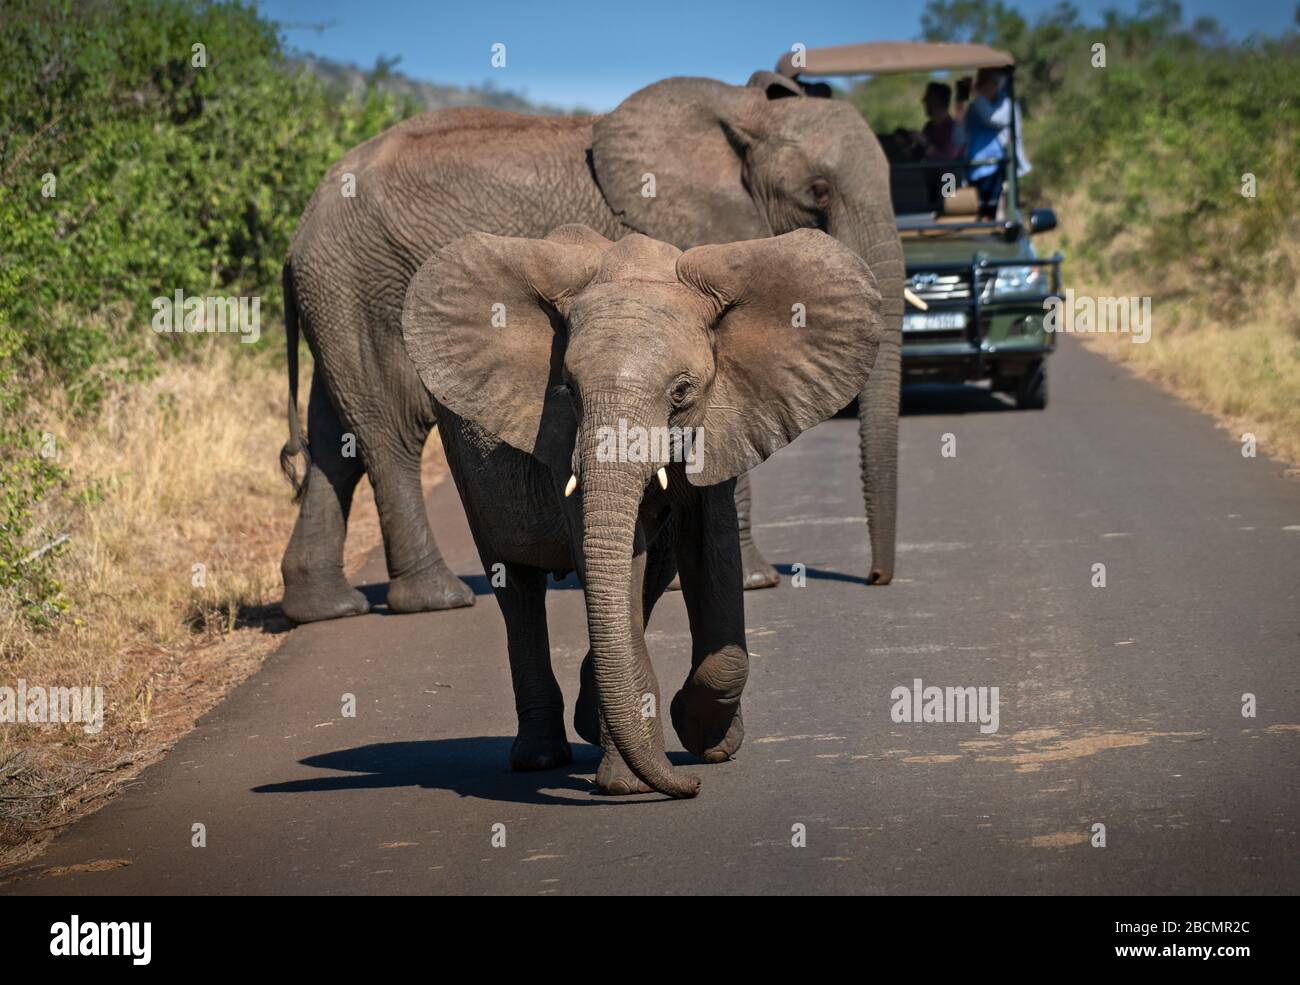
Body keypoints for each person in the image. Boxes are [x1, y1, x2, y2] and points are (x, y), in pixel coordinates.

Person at [955, 68, 1011, 219]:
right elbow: (958, 139)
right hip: (973, 170)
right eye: (978, 83)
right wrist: (959, 111)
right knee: (975, 215)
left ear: (995, 84)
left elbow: (992, 119)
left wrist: (976, 93)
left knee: (992, 215)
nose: (979, 86)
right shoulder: (974, 107)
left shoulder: (1005, 103)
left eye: (982, 83)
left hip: (994, 168)